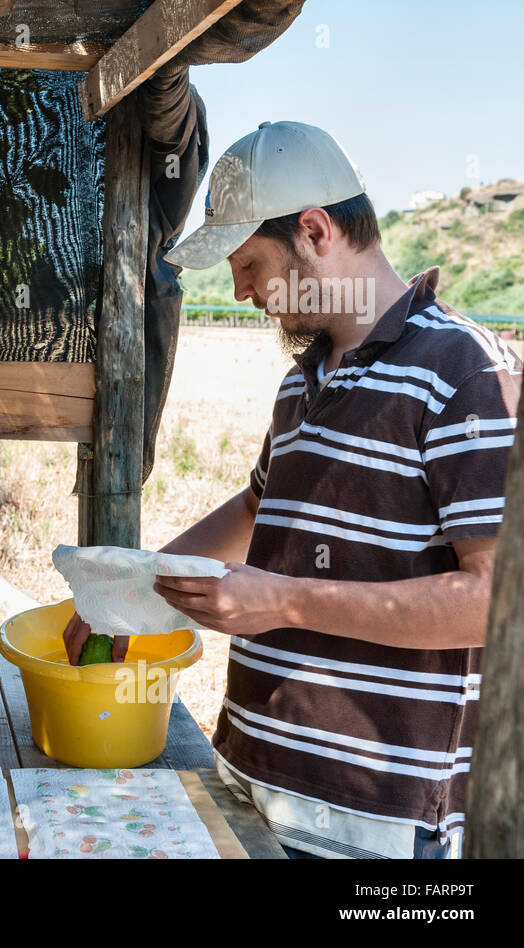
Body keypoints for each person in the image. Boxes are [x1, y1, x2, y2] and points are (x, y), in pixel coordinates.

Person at [64, 121, 521, 859]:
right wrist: (127, 589)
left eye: (249, 264)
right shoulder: (301, 382)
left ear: (314, 231)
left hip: (370, 817)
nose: (242, 291)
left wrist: (283, 601)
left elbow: (498, 603)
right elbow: (255, 509)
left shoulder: (464, 372)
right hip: (253, 774)